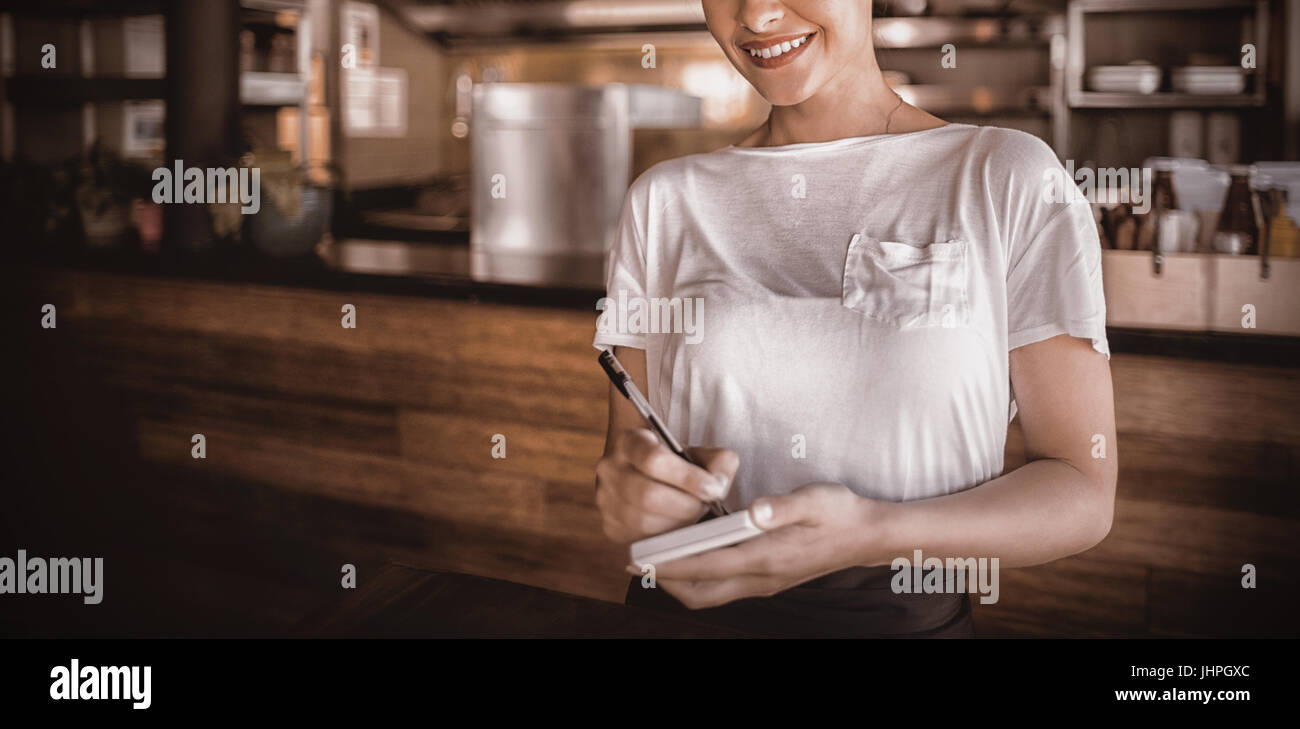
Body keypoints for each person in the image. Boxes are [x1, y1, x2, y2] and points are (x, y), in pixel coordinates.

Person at [592, 0, 1117, 637]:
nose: (756, 14)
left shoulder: (1006, 177)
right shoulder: (662, 201)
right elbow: (632, 453)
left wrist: (871, 533)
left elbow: (1081, 491)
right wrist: (633, 498)